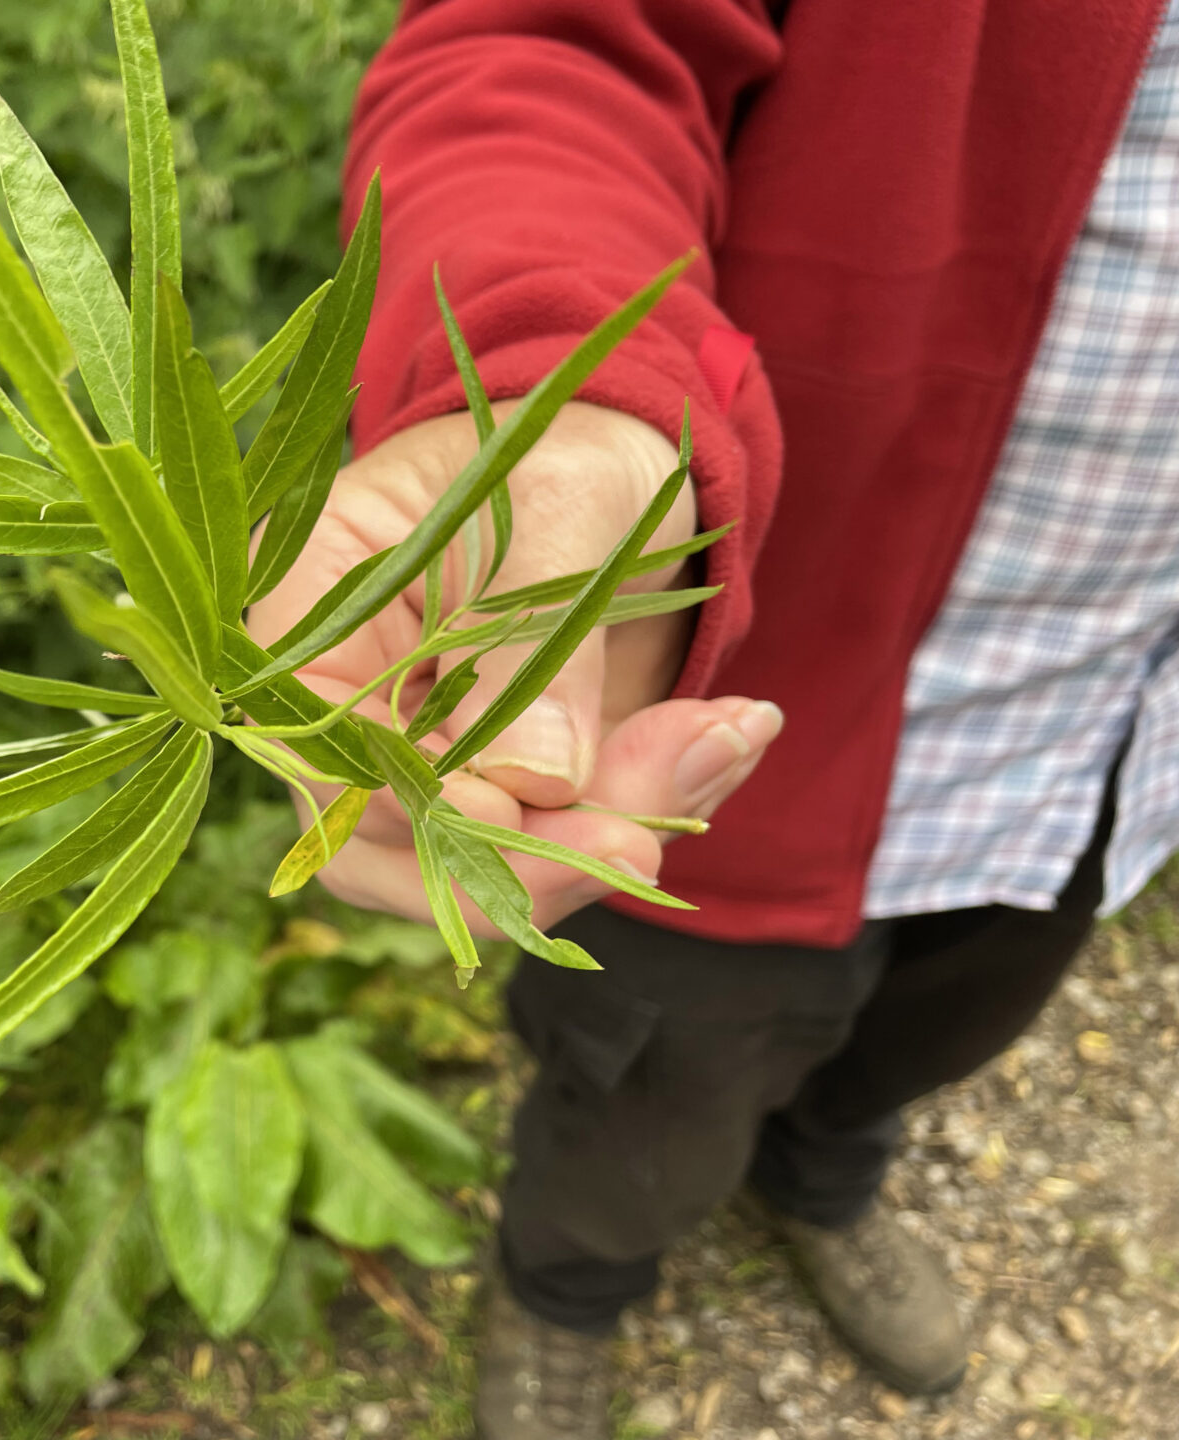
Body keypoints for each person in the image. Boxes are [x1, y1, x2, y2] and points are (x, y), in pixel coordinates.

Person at [244, 0, 1179, 1433]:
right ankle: (564, 1293)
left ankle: (826, 1184)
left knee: (954, 1013)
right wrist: (561, 382)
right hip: (743, 716)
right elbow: (557, 45)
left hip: (1102, 739)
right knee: (646, 1088)